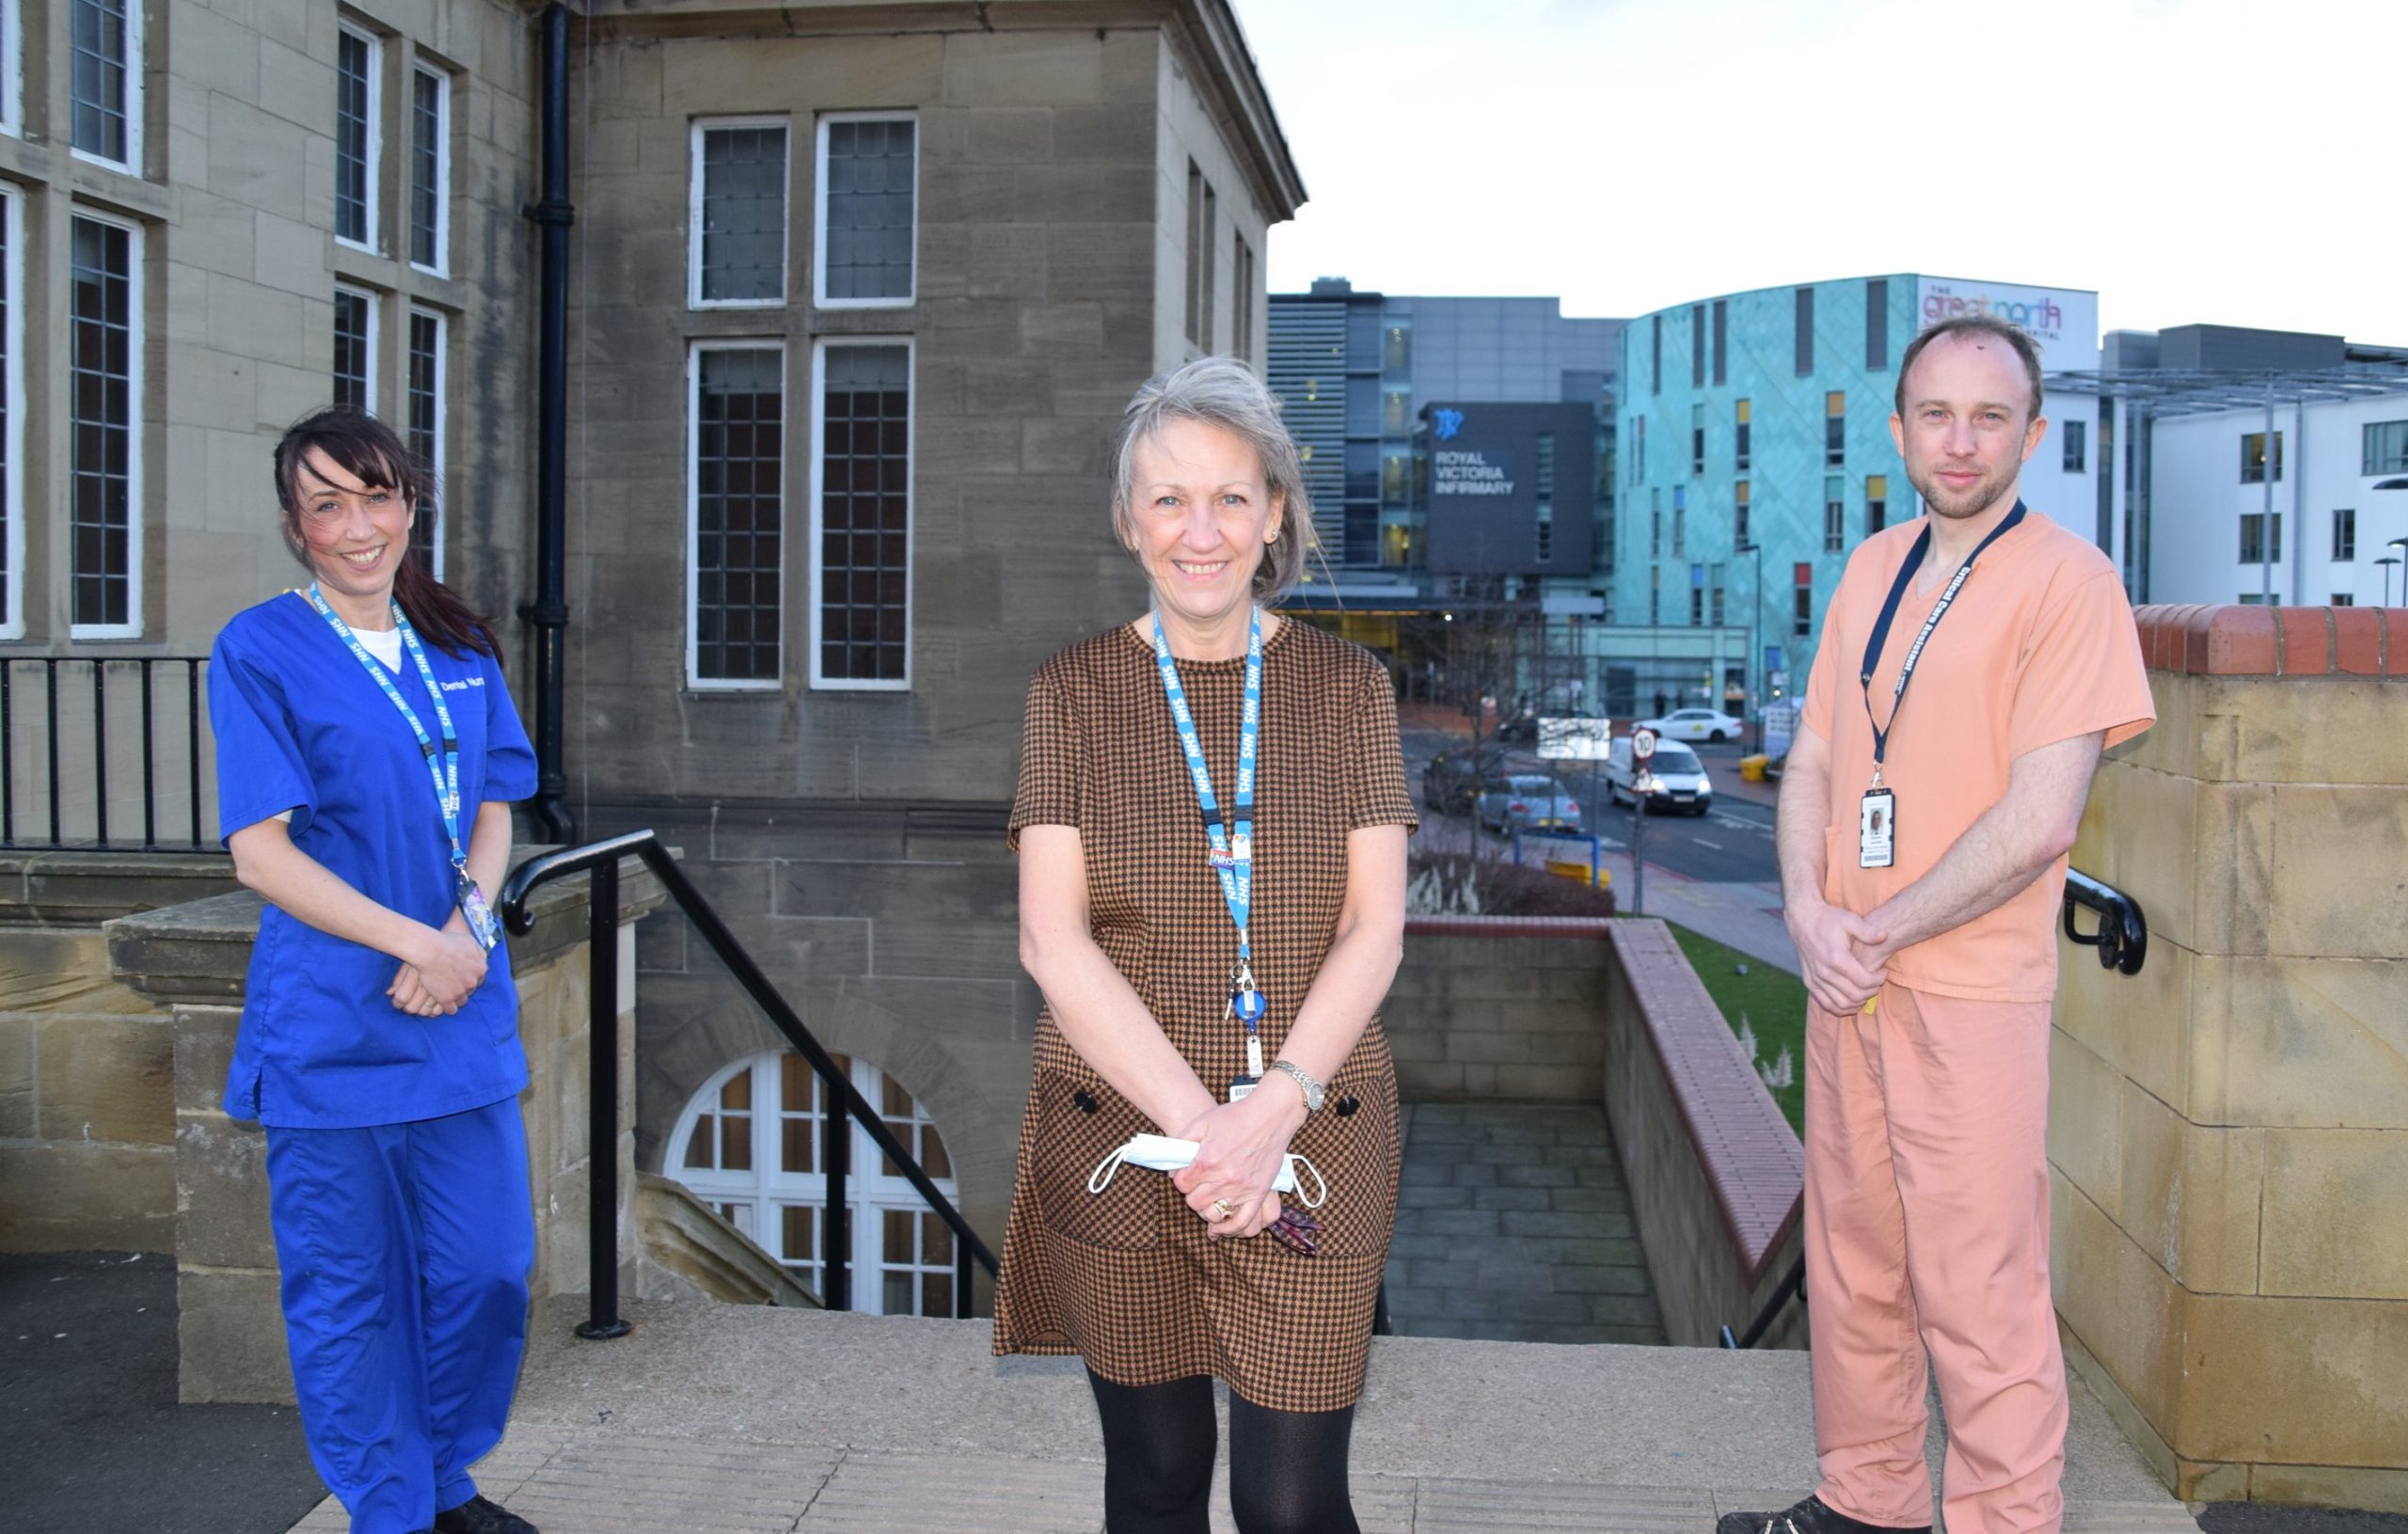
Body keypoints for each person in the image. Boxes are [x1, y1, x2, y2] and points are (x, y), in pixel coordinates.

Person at [1723, 316, 2155, 1534]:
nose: (1960, 441)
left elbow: (2041, 815)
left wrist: (1880, 925)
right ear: (1899, 428)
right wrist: (1809, 910)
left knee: (1980, 1288)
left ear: (2034, 432)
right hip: (1848, 975)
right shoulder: (1872, 566)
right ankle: (1869, 1498)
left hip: (1969, 990)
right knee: (1856, 1262)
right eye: (1936, 414)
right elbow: (1814, 757)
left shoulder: (2070, 582)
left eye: (1988, 416)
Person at [994, 356, 1416, 1534]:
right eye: (1169, 498)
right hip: (1123, 1136)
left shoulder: (1349, 687)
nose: (1201, 530)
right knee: (1156, 1479)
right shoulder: (1070, 691)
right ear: (1128, 518)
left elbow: (1375, 926)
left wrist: (1267, 1114)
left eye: (1231, 496)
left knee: (1290, 1504)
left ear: (1274, 513)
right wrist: (1205, 1133)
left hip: (1314, 1128)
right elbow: (1051, 939)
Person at [210, 408, 543, 1534]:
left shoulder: (457, 640)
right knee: (352, 1290)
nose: (359, 527)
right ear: (295, 525)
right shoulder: (259, 647)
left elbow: (495, 805)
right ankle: (393, 1510)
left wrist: (467, 931)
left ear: (411, 505)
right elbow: (260, 854)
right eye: (328, 505)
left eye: (378, 497)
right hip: (336, 1022)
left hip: (455, 1008)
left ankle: (444, 1478)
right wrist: (418, 944)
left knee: (486, 1269)